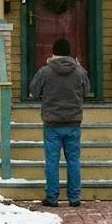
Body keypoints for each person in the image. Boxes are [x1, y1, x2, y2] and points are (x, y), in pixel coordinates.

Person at [28, 38, 91, 208]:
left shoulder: (45, 71)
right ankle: (74, 197)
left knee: (52, 161)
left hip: (52, 123)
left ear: (53, 52)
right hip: (73, 122)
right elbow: (87, 91)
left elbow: (33, 91)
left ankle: (52, 197)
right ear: (69, 53)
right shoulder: (79, 72)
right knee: (73, 161)